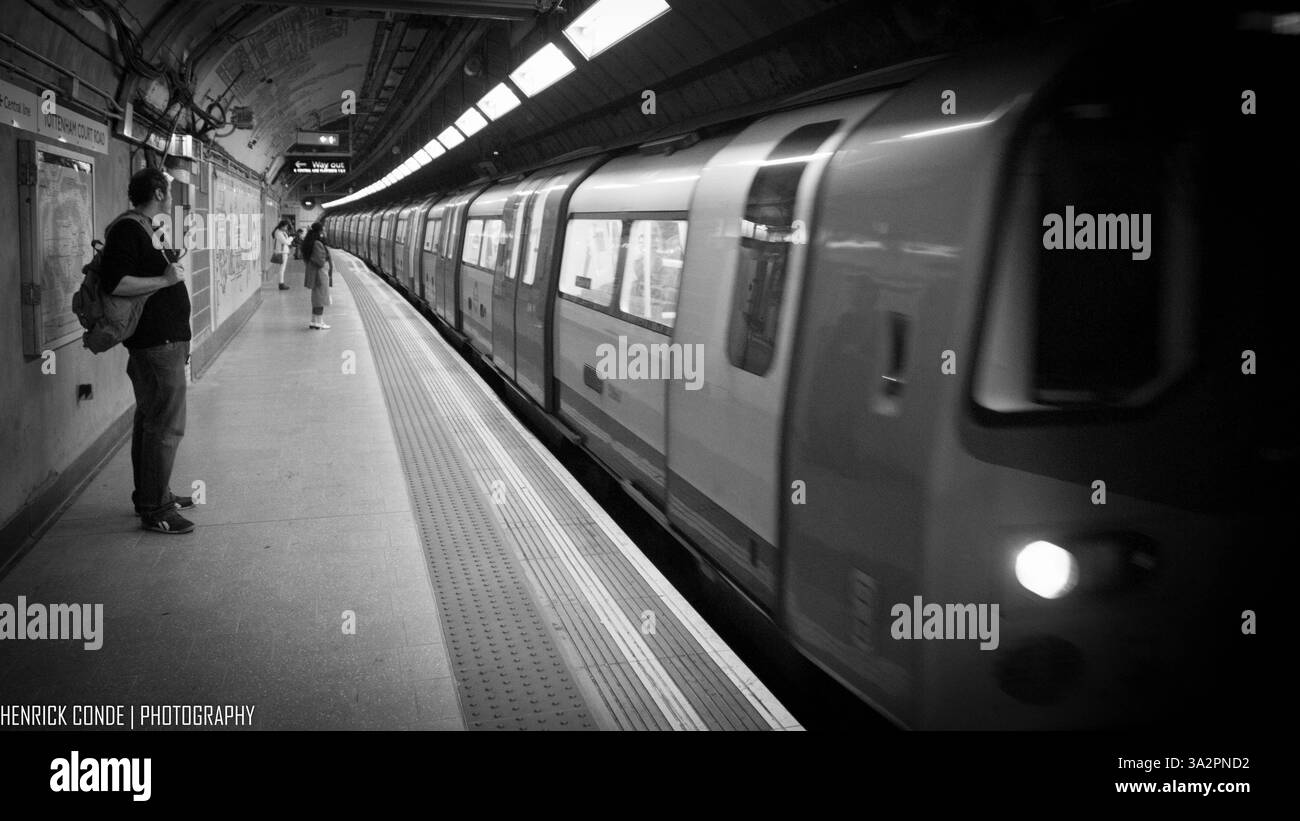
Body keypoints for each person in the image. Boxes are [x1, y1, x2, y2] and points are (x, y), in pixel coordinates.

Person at [99, 166, 196, 535]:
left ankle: (152, 494)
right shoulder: (127, 228)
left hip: (164, 342)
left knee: (150, 419)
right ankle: (157, 508)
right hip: (156, 344)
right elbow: (115, 282)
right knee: (165, 424)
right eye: (168, 190)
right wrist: (165, 279)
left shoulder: (145, 227)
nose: (171, 196)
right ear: (158, 192)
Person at [301, 222, 333, 330]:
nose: (324, 232)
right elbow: (320, 261)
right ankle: (319, 322)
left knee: (316, 297)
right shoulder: (317, 244)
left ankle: (314, 321)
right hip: (320, 274)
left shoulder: (310, 242)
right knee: (321, 298)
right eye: (323, 230)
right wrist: (326, 260)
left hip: (316, 273)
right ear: (319, 232)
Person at [271, 220, 292, 290]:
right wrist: (291, 239)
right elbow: (286, 242)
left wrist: (288, 240)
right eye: (285, 226)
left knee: (282, 268)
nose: (286, 228)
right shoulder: (278, 233)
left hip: (283, 252)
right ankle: (281, 283)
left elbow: (286, 241)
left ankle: (281, 283)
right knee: (282, 269)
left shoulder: (282, 232)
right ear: (282, 226)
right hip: (282, 252)